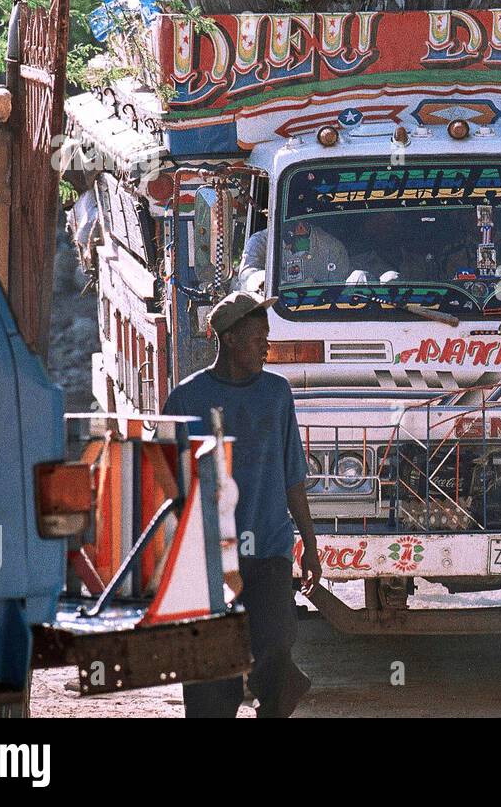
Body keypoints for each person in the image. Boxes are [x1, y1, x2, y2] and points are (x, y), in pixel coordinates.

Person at [160, 290, 322, 717]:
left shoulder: (276, 393)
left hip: (267, 551)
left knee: (275, 643)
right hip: (208, 558)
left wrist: (310, 543)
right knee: (211, 679)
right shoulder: (186, 399)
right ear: (228, 339)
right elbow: (165, 487)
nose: (266, 347)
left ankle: (282, 688)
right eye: (258, 338)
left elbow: (293, 475)